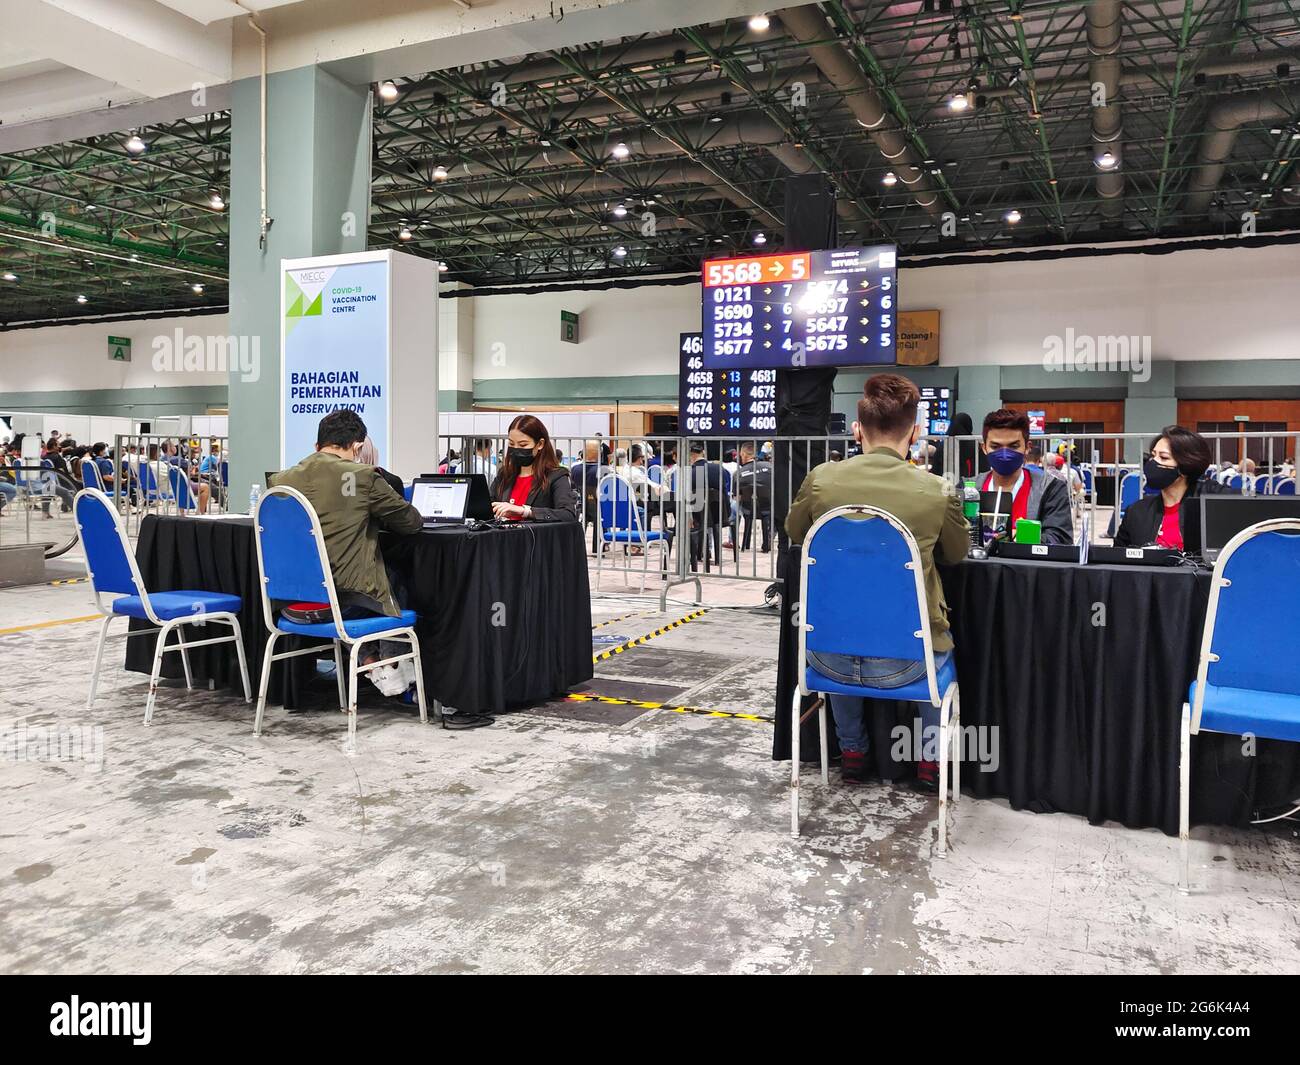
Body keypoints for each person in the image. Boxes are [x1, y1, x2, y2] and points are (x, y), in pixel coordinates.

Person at [786, 373, 970, 789]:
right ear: (917, 432)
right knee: (937, 654)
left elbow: (796, 533)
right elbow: (957, 554)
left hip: (823, 661)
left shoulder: (820, 479)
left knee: (844, 635)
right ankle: (930, 763)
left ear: (856, 430)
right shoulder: (937, 489)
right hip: (906, 665)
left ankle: (852, 752)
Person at [1115, 426, 1232, 549]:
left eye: (1164, 457)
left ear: (1186, 466)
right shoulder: (1136, 512)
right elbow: (1117, 557)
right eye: (1153, 455)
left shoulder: (1213, 500)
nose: (1153, 462)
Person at [978, 409, 1073, 545]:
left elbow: (1060, 539)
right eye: (996, 446)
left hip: (1029, 566)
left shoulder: (1051, 489)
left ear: (1027, 448)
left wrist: (1017, 536)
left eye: (1013, 446)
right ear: (984, 448)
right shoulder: (970, 489)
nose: (1005, 454)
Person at [489, 414, 578, 522]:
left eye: (523, 445)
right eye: (511, 444)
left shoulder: (556, 476)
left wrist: (525, 511)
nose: (516, 449)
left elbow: (567, 514)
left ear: (540, 444)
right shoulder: (504, 474)